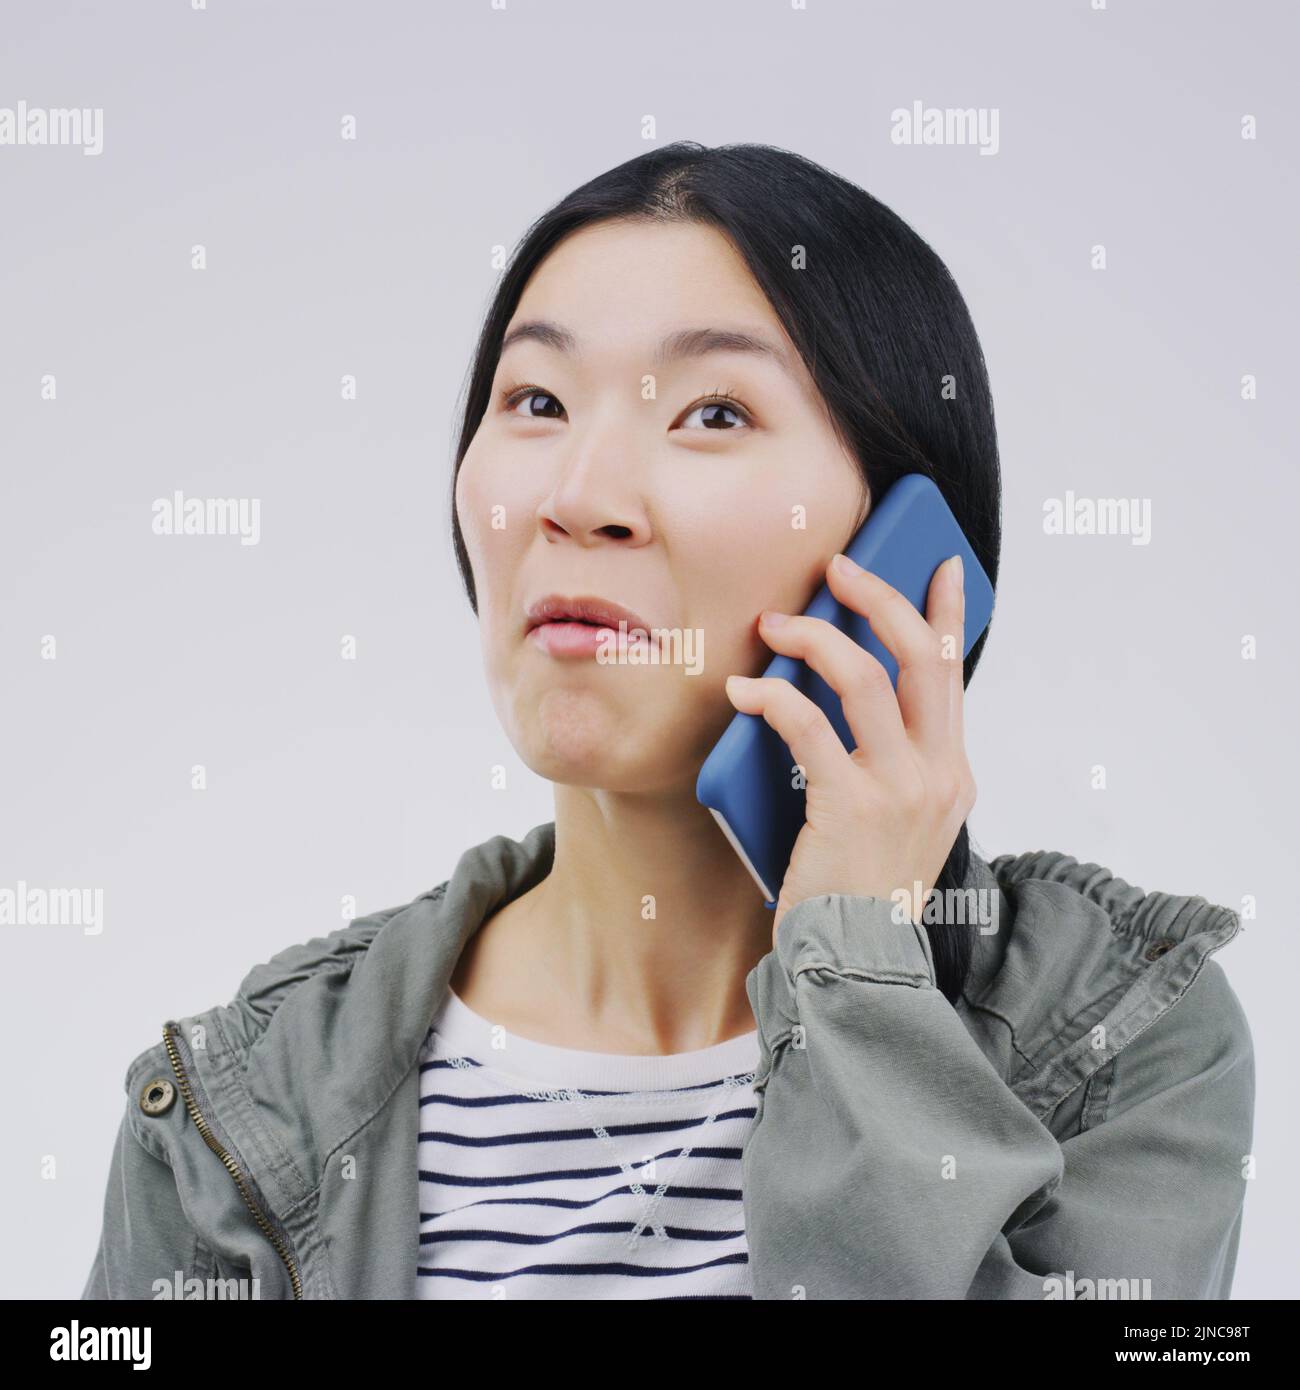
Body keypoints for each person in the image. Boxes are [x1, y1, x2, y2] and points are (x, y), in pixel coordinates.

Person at [84, 142, 1254, 1301]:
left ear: (905, 540)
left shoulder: (1118, 1042)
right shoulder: (240, 1107)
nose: (579, 496)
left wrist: (852, 965)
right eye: (535, 399)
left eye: (711, 412)